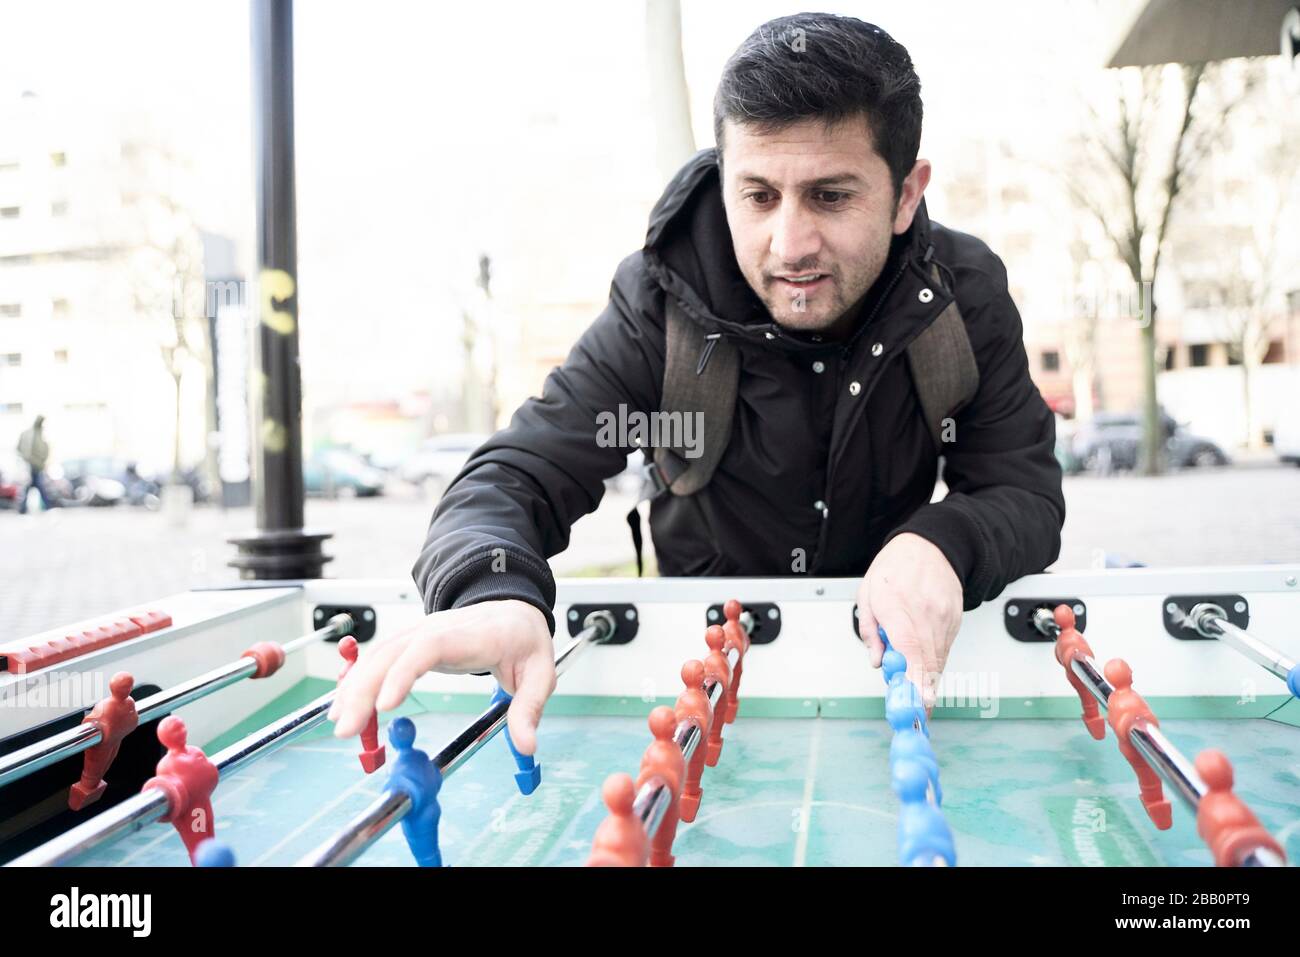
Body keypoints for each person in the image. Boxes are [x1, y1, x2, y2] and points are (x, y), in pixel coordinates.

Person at [331, 14, 1065, 753]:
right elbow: (516, 475)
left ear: (907, 194)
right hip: (702, 685)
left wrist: (942, 541)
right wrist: (496, 591)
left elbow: (1025, 493)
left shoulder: (963, 293)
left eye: (831, 196)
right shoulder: (660, 302)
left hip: (891, 675)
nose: (790, 243)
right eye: (758, 195)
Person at [16, 414, 53, 514]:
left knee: (33, 487)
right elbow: (24, 449)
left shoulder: (39, 434)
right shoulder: (31, 434)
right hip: (31, 465)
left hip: (36, 465)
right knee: (38, 486)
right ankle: (47, 506)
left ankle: (22, 509)